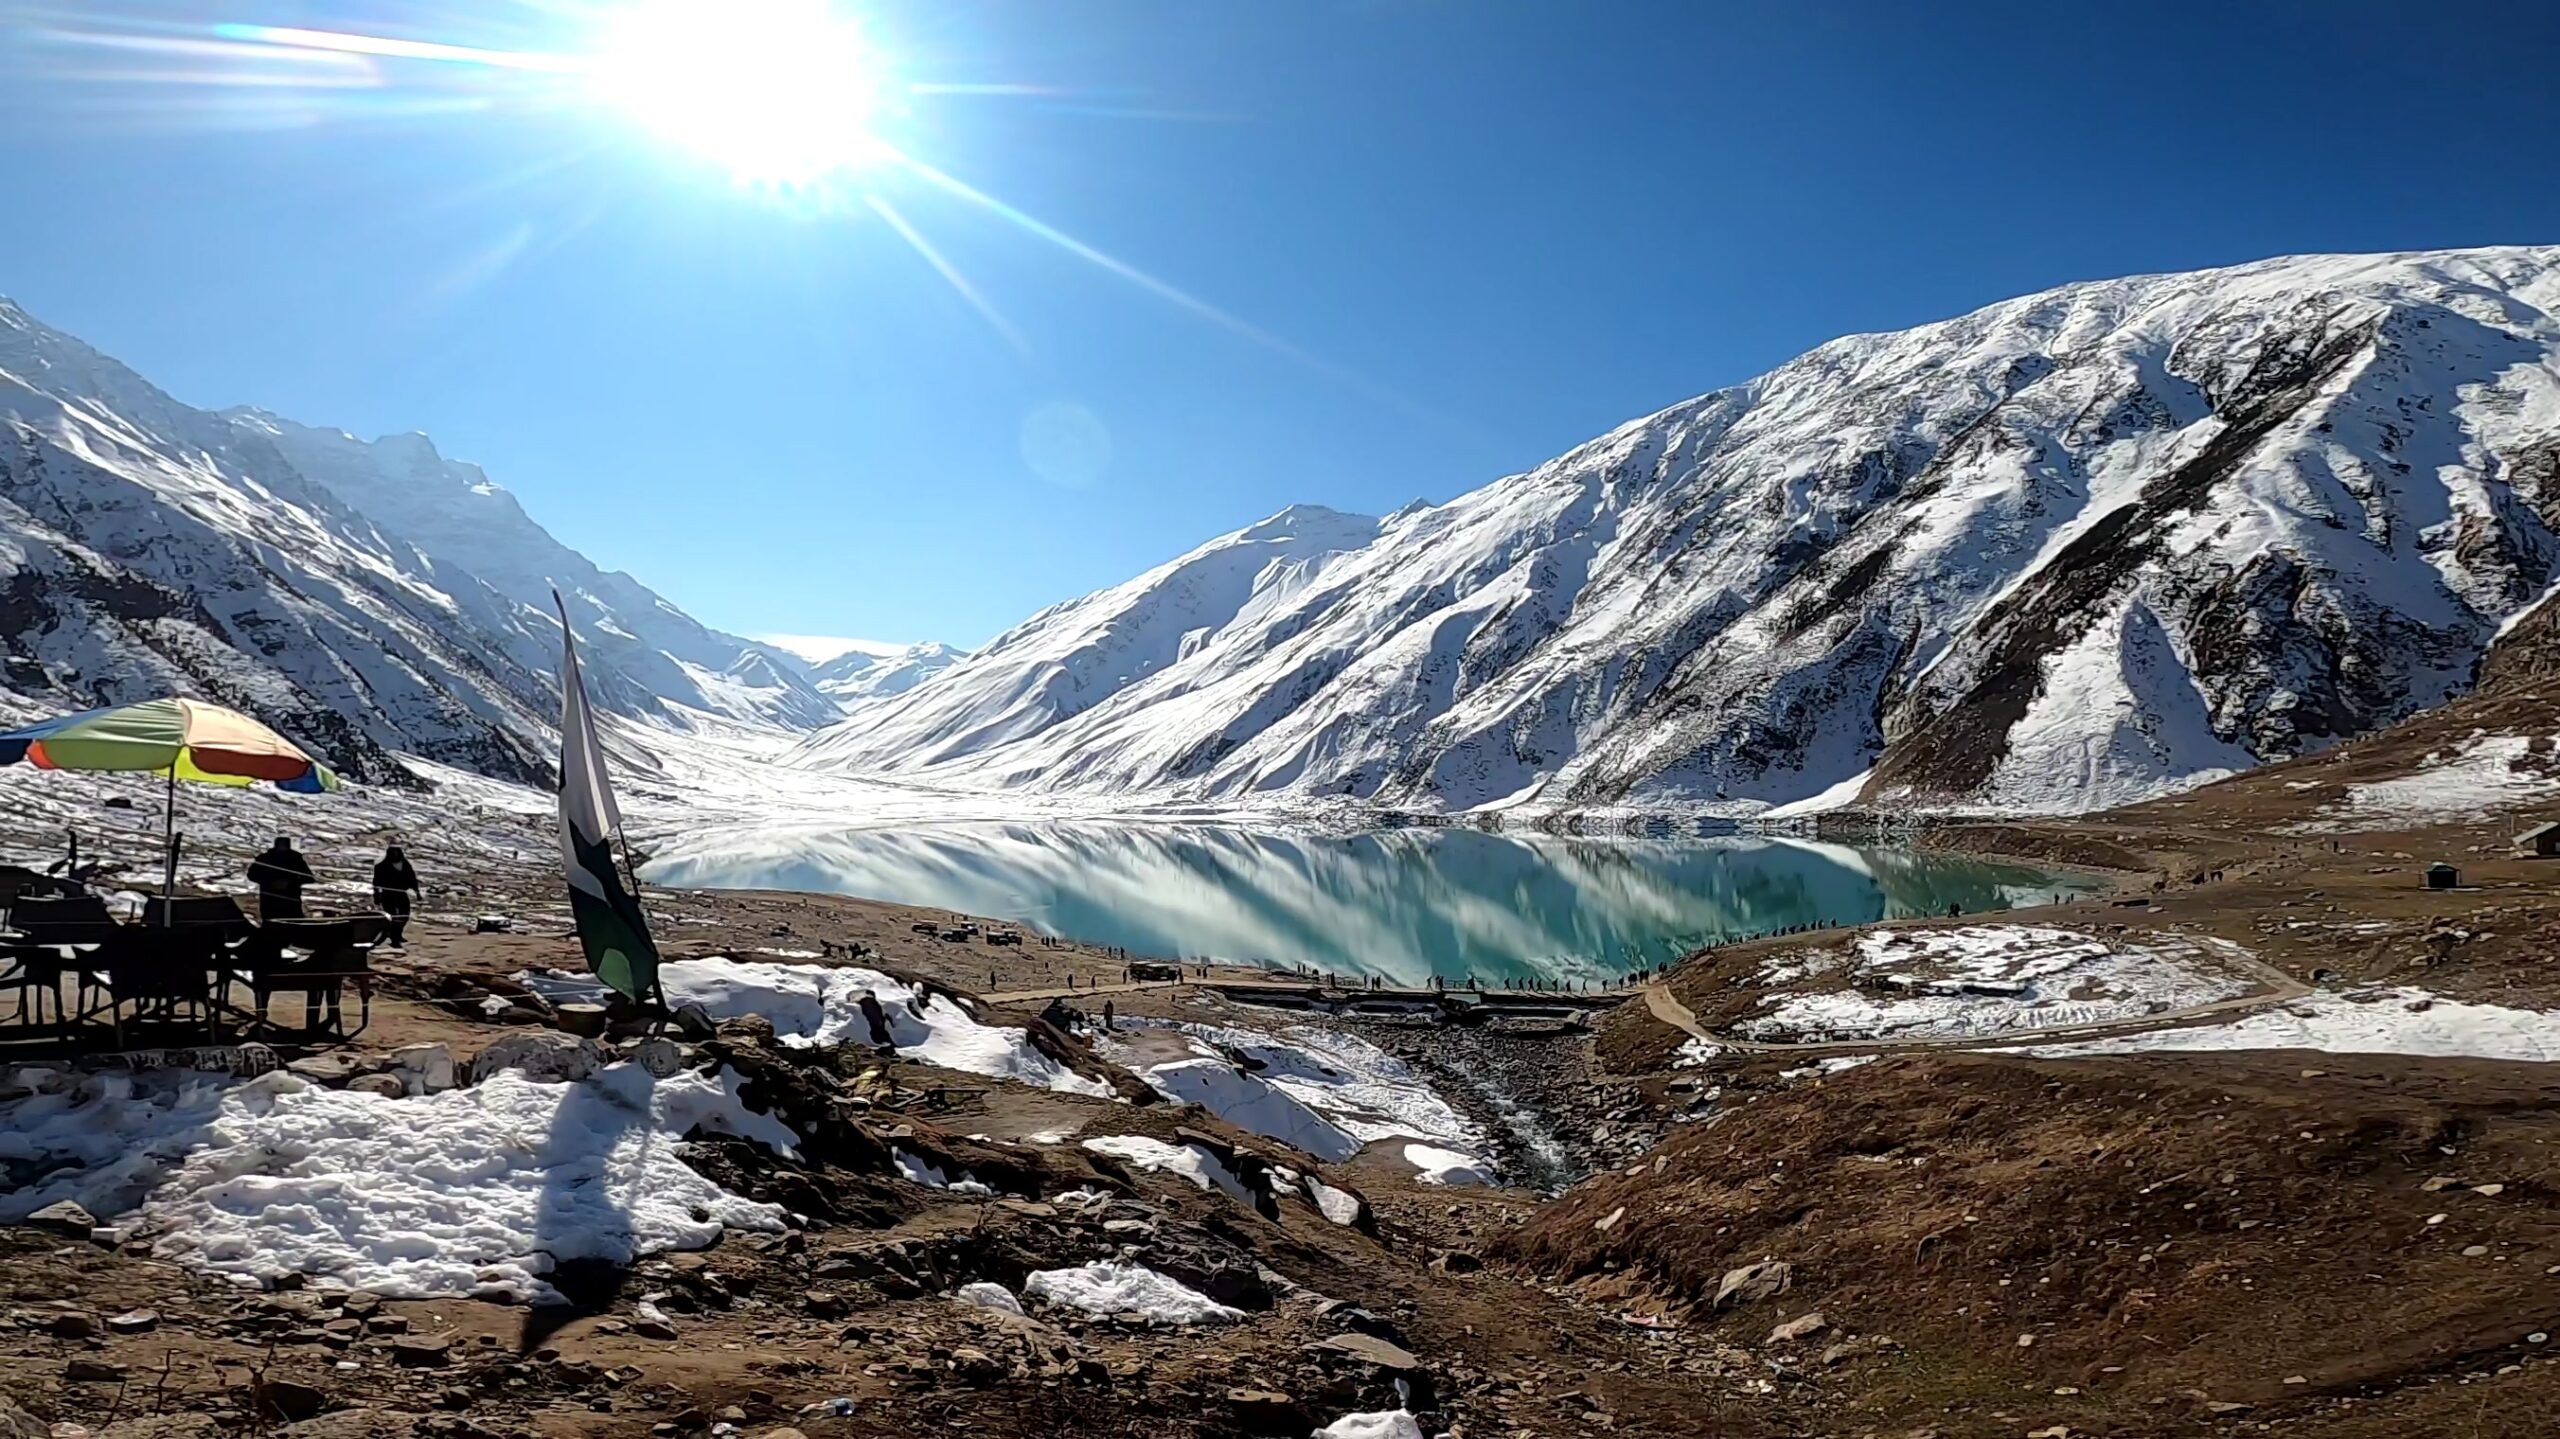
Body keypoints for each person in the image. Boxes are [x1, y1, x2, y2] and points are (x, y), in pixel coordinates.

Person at [248, 836, 314, 921]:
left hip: (289, 900)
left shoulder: (296, 858)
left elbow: (308, 878)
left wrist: (289, 883)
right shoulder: (264, 858)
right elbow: (252, 875)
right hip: (271, 900)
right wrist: (270, 883)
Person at [372, 844, 422, 947]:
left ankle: (397, 934)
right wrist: (377, 896)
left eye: (397, 852)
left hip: (401, 893)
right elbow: (376, 883)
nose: (395, 855)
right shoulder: (381, 866)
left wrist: (417, 892)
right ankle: (394, 939)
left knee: (405, 915)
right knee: (393, 916)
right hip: (388, 894)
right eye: (393, 852)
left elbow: (412, 878)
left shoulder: (405, 864)